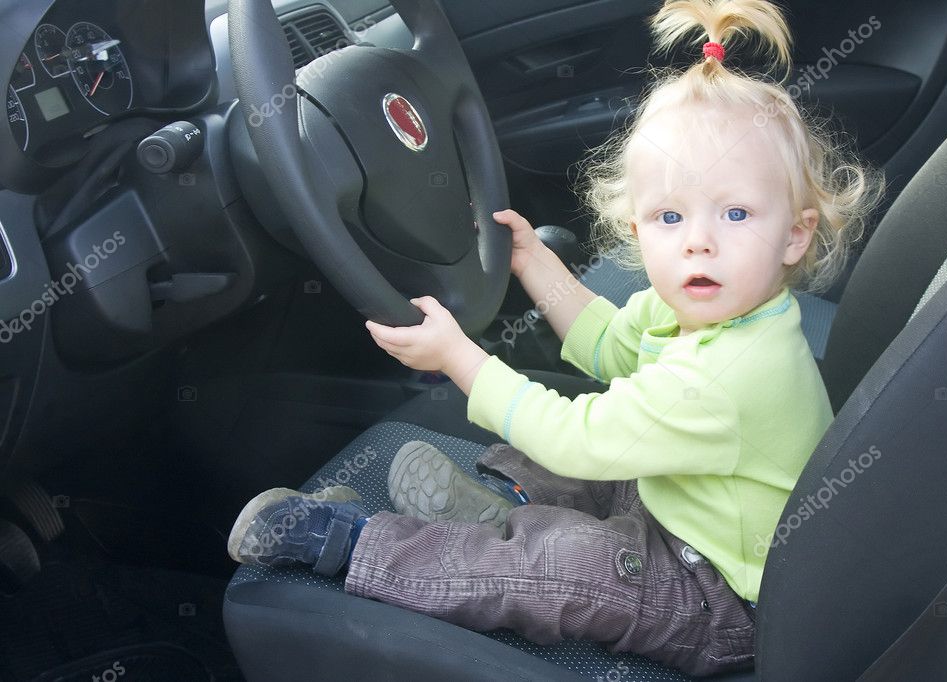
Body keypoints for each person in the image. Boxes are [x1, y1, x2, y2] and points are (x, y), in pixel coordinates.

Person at [225, 0, 885, 674]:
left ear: (794, 233)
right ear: (636, 230)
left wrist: (459, 358)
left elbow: (577, 432)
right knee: (571, 463)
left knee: (560, 563)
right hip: (687, 504)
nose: (698, 242)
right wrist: (533, 264)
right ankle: (500, 506)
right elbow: (610, 347)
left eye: (736, 212)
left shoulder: (736, 371)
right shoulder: (700, 307)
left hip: (719, 598)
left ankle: (352, 542)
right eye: (669, 215)